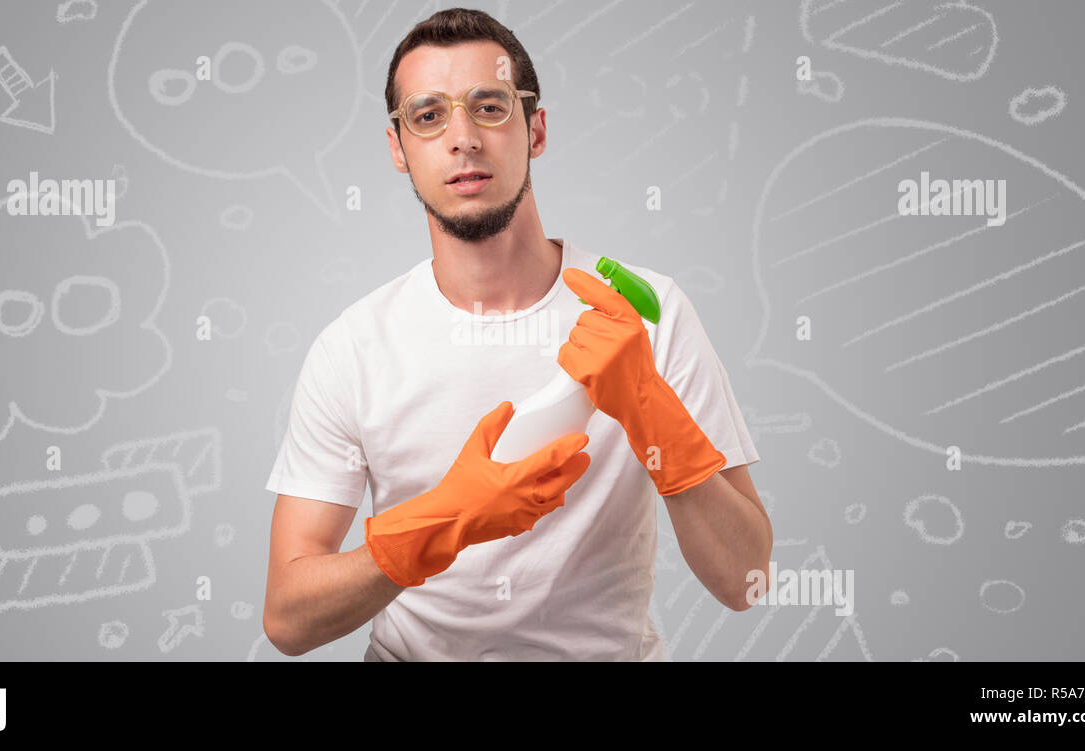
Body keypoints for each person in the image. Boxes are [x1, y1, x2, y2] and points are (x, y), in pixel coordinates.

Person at [262, 7, 770, 661]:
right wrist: (446, 520)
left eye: (490, 107)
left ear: (536, 129)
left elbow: (745, 581)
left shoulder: (647, 310)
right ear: (397, 148)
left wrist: (649, 407)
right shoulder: (353, 347)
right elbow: (287, 617)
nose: (463, 138)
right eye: (428, 115)